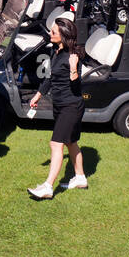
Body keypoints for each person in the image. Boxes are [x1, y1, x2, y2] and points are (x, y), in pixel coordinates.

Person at [27, 17, 86, 199]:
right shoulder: (57, 51)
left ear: (64, 36)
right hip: (60, 105)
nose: (50, 34)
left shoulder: (72, 56)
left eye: (53, 32)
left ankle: (47, 187)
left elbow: (76, 87)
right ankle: (81, 178)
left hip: (71, 106)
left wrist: (74, 68)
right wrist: (38, 95)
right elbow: (50, 78)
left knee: (56, 143)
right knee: (70, 142)